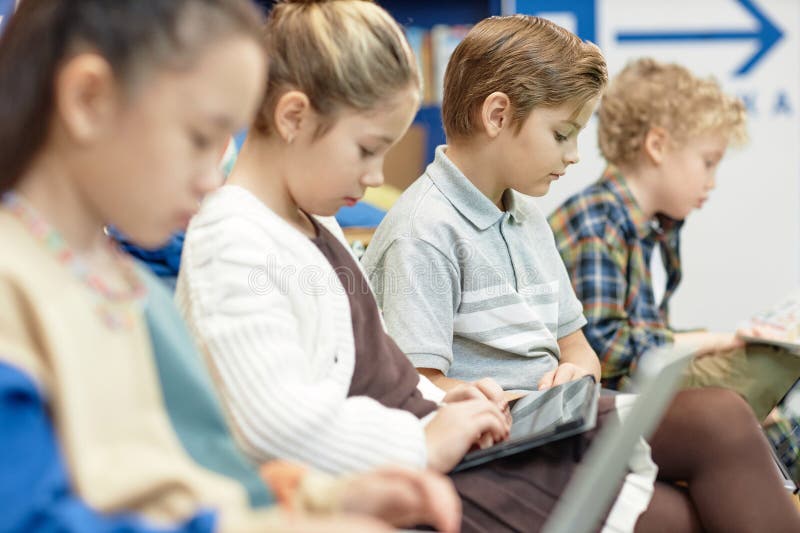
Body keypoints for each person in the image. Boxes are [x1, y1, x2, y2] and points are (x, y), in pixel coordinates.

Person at [0, 1, 459, 531]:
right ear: (89, 99)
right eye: (199, 138)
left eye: (224, 143)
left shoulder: (116, 281)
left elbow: (176, 478)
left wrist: (323, 499)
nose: (211, 175)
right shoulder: (16, 290)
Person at [362, 15, 800, 532]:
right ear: (498, 115)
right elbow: (422, 389)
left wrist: (576, 374)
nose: (573, 157)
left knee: (717, 440)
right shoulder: (423, 230)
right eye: (562, 135)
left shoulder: (527, 219)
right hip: (508, 441)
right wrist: (520, 400)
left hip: (561, 422)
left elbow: (580, 351)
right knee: (708, 449)